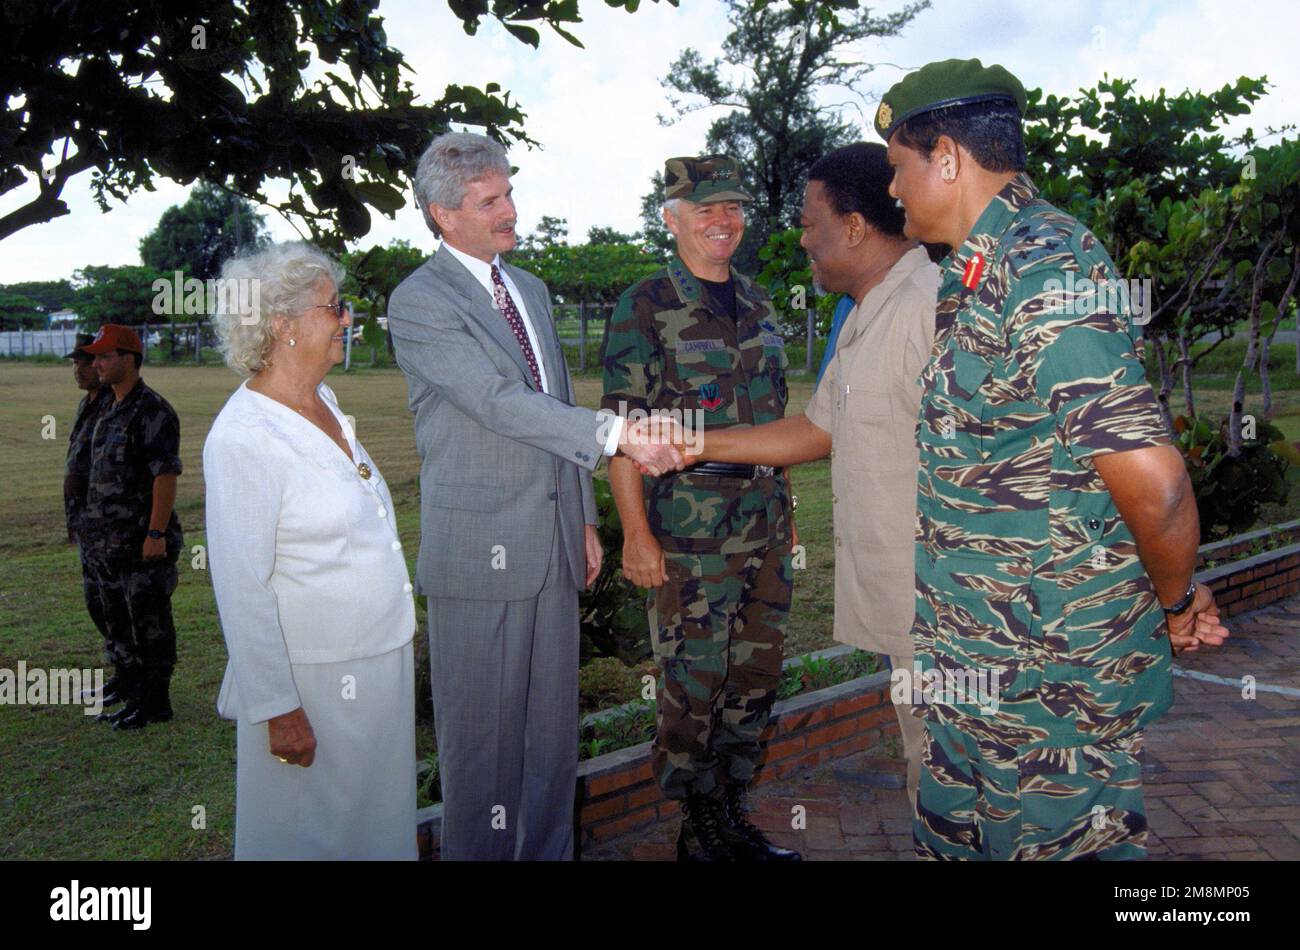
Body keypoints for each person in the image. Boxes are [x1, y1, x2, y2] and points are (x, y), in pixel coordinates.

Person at [877, 58, 1229, 860]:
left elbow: (1156, 481)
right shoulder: (975, 271)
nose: (892, 191)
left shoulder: (1045, 267)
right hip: (979, 661)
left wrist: (1175, 603)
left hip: (1049, 682)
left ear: (948, 159)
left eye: (898, 168)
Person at [387, 131, 679, 861]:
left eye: (510, 191)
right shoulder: (420, 301)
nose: (511, 210)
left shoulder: (531, 290)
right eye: (491, 201)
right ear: (442, 214)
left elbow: (556, 398)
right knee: (481, 750)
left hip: (552, 546)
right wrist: (617, 435)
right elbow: (495, 401)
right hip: (477, 556)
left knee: (550, 741)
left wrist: (583, 518)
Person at [668, 143, 941, 808]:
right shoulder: (866, 311)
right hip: (913, 613)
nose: (801, 236)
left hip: (953, 615)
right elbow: (817, 431)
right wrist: (691, 445)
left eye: (810, 220)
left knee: (959, 791)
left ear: (853, 226)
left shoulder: (930, 309)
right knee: (931, 774)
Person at [601, 155, 800, 862]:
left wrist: (789, 514)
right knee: (692, 684)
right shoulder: (646, 304)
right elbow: (620, 432)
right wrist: (636, 534)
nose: (724, 222)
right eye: (708, 210)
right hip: (688, 534)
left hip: (765, 524)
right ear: (672, 218)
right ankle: (697, 827)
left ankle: (731, 811)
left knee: (753, 680)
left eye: (734, 209)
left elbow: (776, 422)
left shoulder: (760, 301)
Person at [204, 242, 418, 860]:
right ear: (282, 324)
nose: (346, 320)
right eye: (335, 308)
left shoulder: (321, 403)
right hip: (312, 683)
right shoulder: (245, 436)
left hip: (377, 663)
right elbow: (242, 586)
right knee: (307, 837)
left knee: (373, 830)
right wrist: (277, 708)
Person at [78, 324, 183, 731]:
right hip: (108, 543)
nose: (96, 363)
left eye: (105, 356)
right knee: (119, 621)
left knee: (150, 624)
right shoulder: (107, 407)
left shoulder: (152, 410)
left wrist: (155, 534)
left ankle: (156, 702)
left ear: (130, 359)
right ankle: (134, 691)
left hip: (142, 542)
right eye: (96, 356)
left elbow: (165, 475)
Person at [63, 333, 115, 702]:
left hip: (113, 526)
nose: (80, 370)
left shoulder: (118, 405)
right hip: (87, 525)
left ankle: (141, 684)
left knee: (120, 607)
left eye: (86, 361)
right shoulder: (87, 404)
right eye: (76, 363)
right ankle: (122, 674)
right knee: (97, 603)